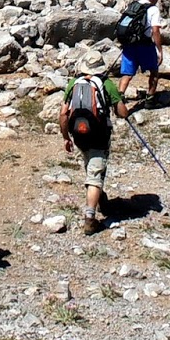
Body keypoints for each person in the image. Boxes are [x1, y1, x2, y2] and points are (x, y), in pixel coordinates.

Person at [60, 54, 131, 235]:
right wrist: (122, 103)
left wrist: (66, 137)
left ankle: (101, 198)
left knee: (90, 165)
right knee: (95, 173)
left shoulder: (73, 83)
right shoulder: (106, 84)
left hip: (79, 133)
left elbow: (63, 114)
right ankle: (90, 218)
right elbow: (122, 112)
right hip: (99, 134)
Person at [117, 0, 165, 103]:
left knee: (127, 74)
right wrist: (159, 50)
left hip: (129, 44)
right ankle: (150, 99)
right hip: (145, 45)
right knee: (154, 71)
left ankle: (119, 99)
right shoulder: (153, 9)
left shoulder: (133, 5)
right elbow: (155, 31)